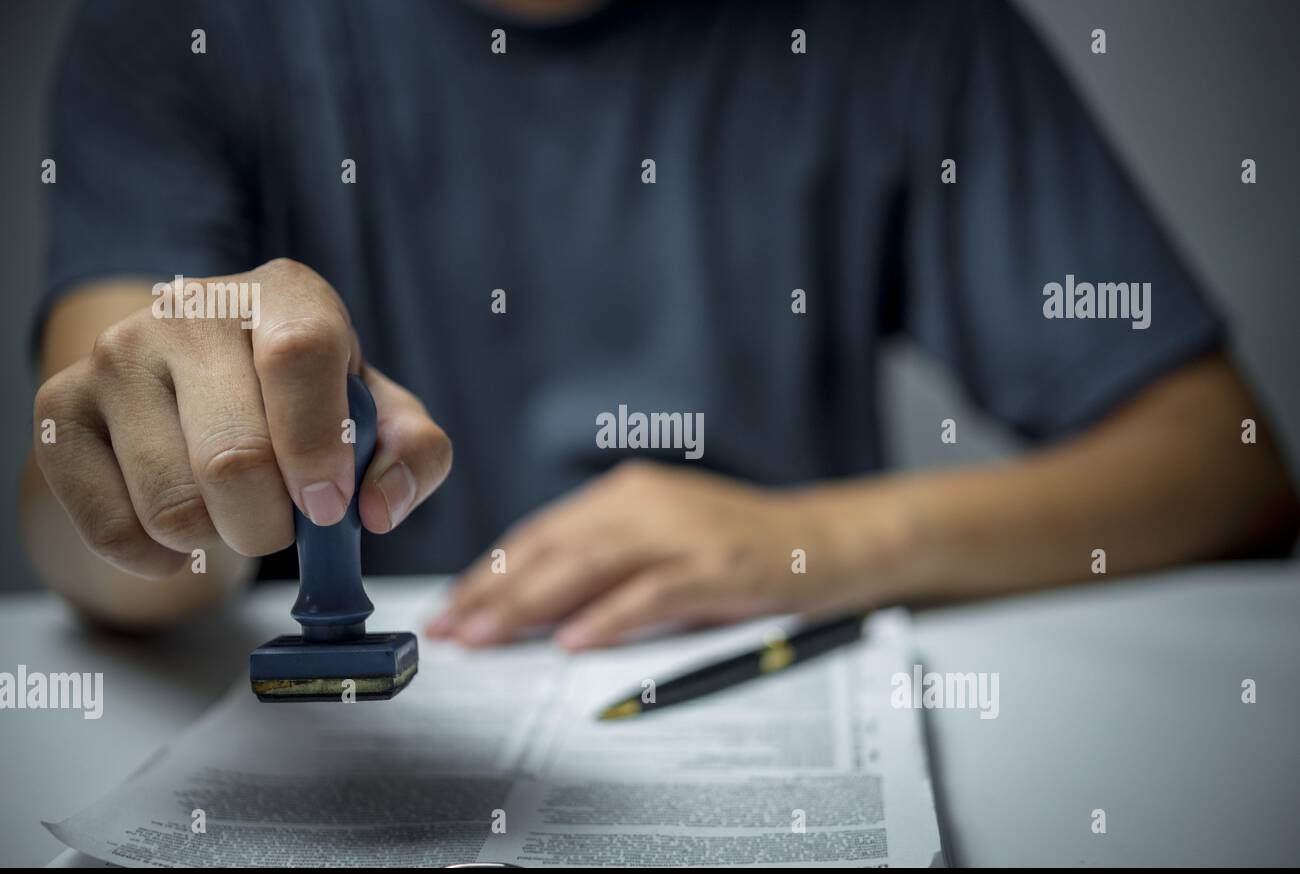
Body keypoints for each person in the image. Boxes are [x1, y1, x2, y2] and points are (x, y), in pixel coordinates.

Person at [23, 0, 1297, 650]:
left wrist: (813, 543)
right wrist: (147, 481)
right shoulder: (177, 24)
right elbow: (89, 510)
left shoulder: (906, 28)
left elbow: (1224, 462)